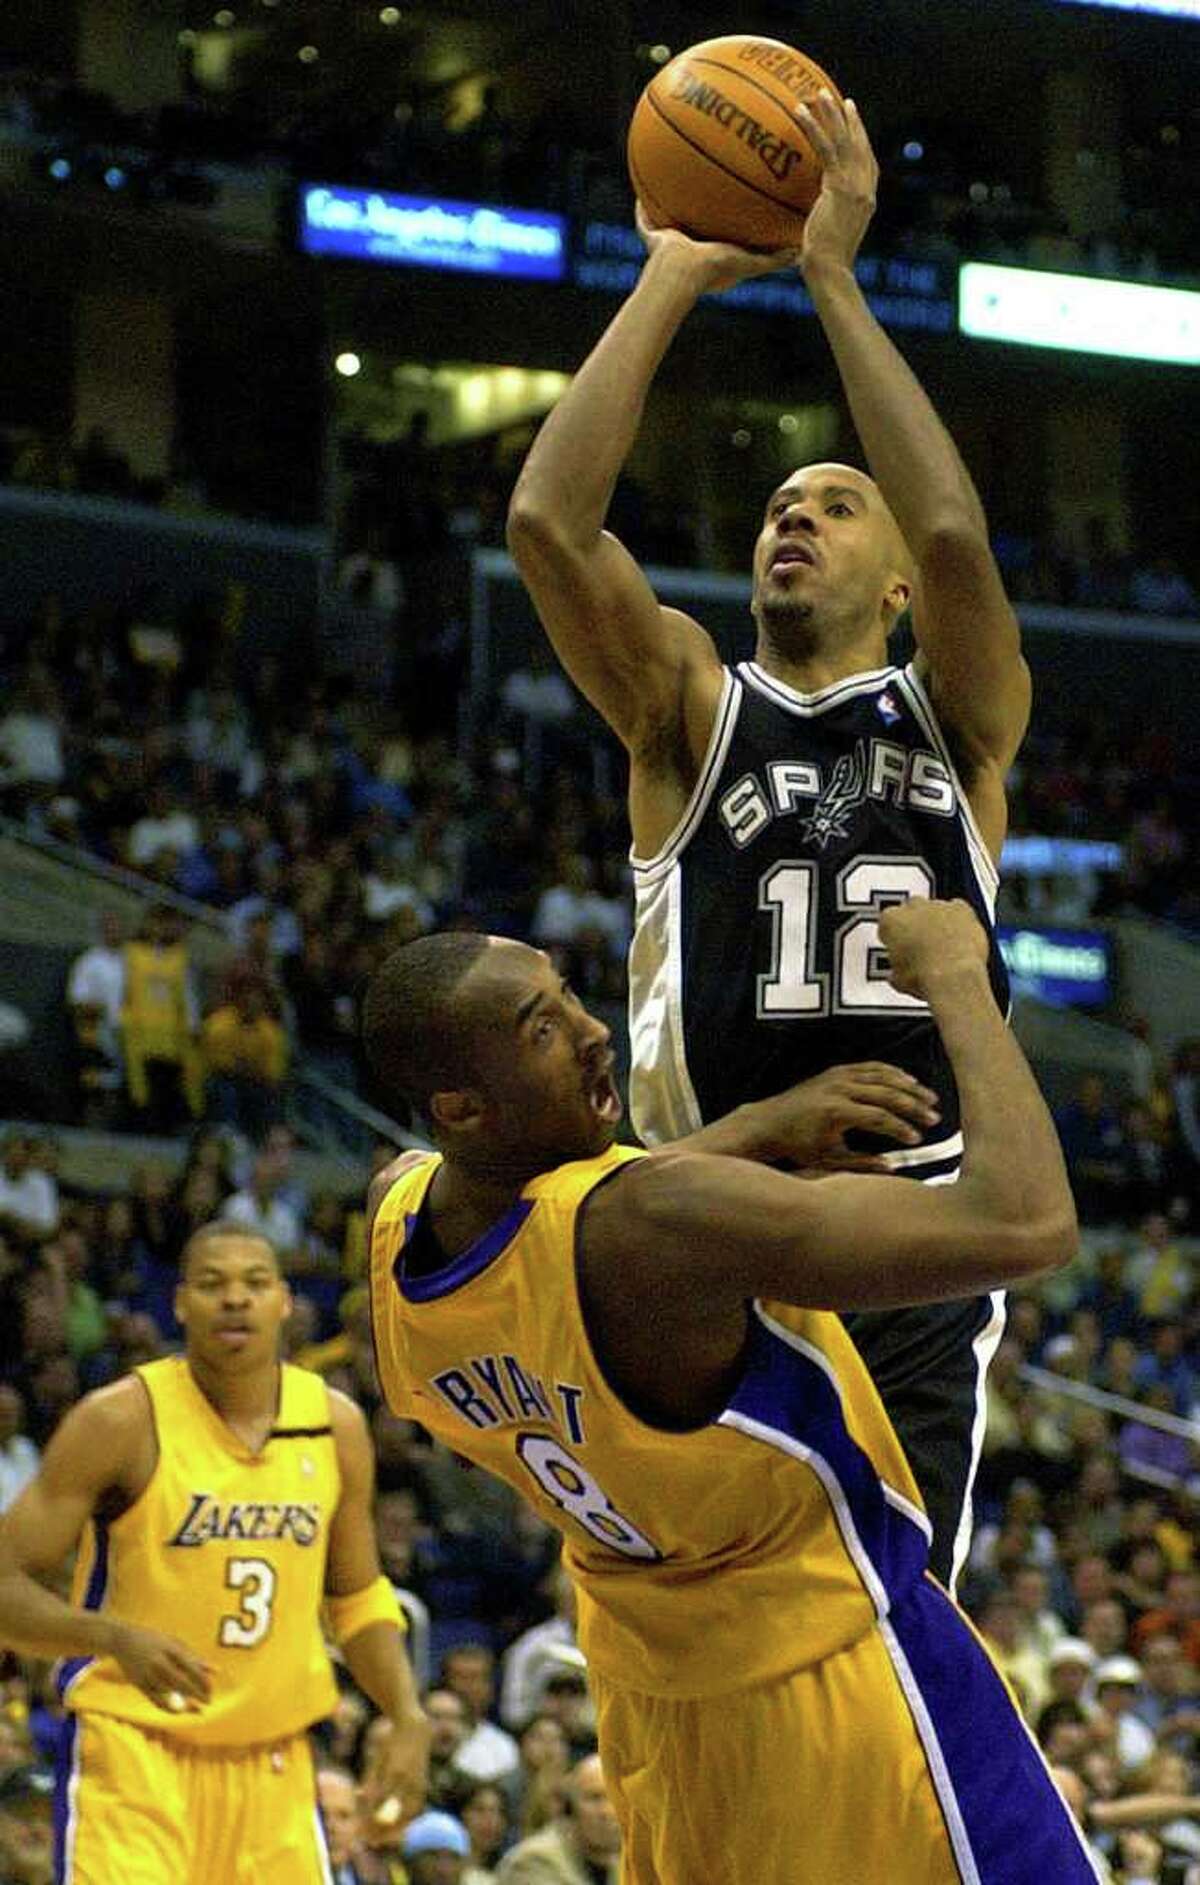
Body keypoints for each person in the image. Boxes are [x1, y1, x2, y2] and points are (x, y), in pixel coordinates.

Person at [505, 90, 1030, 1594]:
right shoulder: (683, 703)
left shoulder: (961, 720)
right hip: (711, 1213)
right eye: (779, 507)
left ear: (893, 587)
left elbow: (955, 536)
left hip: (912, 1234)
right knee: (704, 1615)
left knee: (887, 1622)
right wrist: (673, 262)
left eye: (832, 505)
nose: (793, 519)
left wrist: (835, 278)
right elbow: (550, 520)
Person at [360, 903, 1100, 1881]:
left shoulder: (398, 1216)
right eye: (541, 1029)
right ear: (459, 1107)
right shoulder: (663, 1227)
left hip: (657, 1710)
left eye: (569, 995)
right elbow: (1028, 1224)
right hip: (833, 1680)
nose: (591, 1031)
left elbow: (555, 1237)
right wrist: (960, 975)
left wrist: (747, 1132)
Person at [0, 1220, 429, 1882]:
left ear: (285, 1301)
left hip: (274, 1762)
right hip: (136, 1752)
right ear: (178, 1303)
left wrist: (405, 1712)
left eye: (255, 1283)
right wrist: (111, 1636)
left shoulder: (334, 1423)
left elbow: (357, 1595)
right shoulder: (119, 1419)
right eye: (212, 1283)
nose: (235, 1299)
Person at [495, 1754, 619, 1885]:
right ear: (570, 1807)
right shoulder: (533, 1861)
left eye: (617, 1798)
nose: (608, 1811)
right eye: (594, 1798)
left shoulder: (623, 1861)